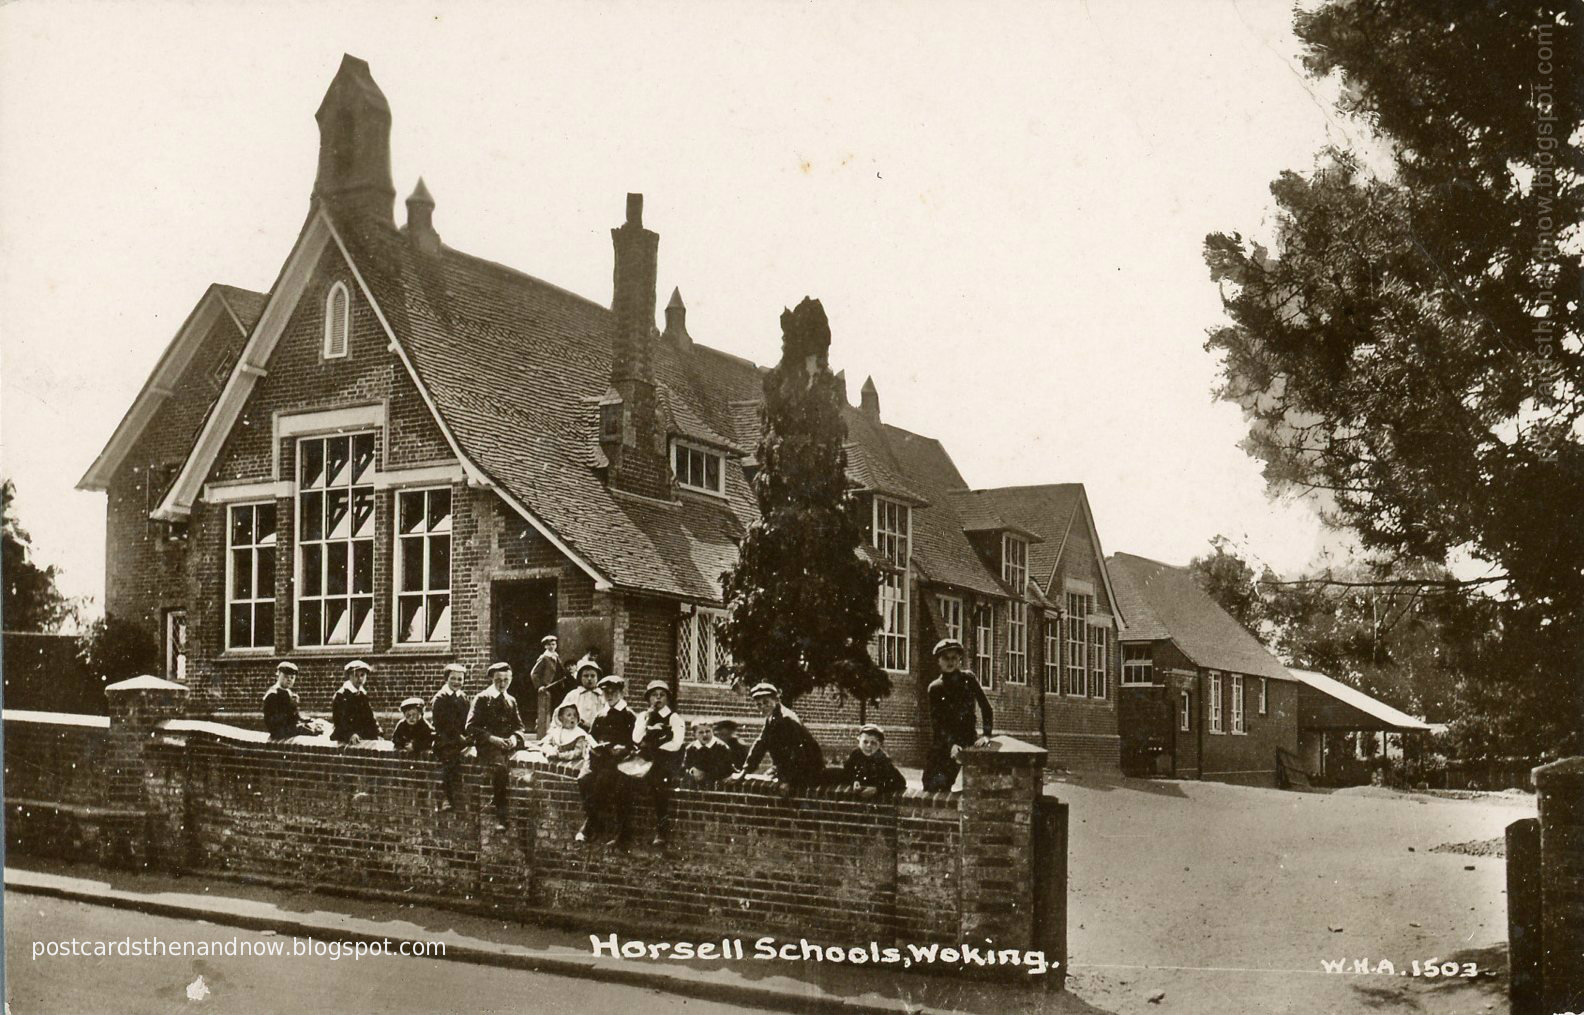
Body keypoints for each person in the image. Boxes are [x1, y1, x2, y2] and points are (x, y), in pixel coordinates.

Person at [923, 638, 993, 792]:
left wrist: (986, 734)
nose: (950, 662)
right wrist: (951, 745)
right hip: (944, 742)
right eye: (945, 658)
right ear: (938, 661)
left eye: (954, 658)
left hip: (966, 739)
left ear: (960, 659)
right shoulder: (935, 688)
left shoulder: (968, 679)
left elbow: (986, 707)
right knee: (931, 784)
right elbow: (937, 722)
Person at [577, 674, 636, 845]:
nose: (609, 696)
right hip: (598, 757)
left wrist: (623, 748)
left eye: (613, 692)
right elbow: (591, 736)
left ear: (621, 693)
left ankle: (594, 825)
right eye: (606, 692)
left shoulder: (629, 715)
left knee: (604, 781)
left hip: (618, 760)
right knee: (583, 779)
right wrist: (594, 746)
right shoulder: (601, 714)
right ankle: (593, 819)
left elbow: (636, 742)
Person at [730, 683, 824, 791]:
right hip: (790, 771)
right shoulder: (772, 718)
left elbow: (798, 752)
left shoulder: (786, 719)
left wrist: (788, 780)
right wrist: (745, 771)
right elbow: (760, 744)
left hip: (807, 773)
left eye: (766, 702)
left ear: (776, 700)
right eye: (759, 704)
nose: (763, 707)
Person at [467, 661, 527, 831]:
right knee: (500, 768)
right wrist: (492, 739)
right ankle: (500, 814)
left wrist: (515, 738)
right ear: (491, 679)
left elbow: (520, 726)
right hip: (489, 746)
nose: (502, 684)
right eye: (498, 680)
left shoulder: (511, 700)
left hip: (507, 744)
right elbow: (470, 727)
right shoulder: (482, 698)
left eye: (506, 680)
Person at [632, 680, 687, 845]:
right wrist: (646, 725)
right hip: (646, 757)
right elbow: (636, 738)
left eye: (661, 695)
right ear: (648, 698)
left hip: (666, 759)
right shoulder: (643, 716)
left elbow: (676, 743)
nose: (658, 699)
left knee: (659, 784)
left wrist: (656, 745)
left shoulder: (674, 718)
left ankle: (662, 830)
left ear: (667, 699)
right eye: (654, 695)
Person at [430, 663, 470, 813]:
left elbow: (467, 720)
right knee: (449, 758)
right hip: (445, 739)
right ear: (446, 679)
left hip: (460, 738)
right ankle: (445, 797)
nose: (457, 682)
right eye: (453, 678)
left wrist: (468, 736)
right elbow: (442, 724)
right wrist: (459, 738)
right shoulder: (440, 698)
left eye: (460, 679)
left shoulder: (463, 698)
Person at [262, 661, 324, 739]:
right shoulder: (273, 694)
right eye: (285, 677)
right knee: (313, 731)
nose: (289, 680)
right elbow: (273, 720)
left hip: (289, 727)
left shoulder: (288, 692)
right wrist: (291, 708)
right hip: (279, 731)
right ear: (278, 676)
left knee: (318, 724)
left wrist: (308, 719)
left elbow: (294, 715)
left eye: (292, 678)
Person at [843, 723, 906, 797]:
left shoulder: (882, 759)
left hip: (878, 800)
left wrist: (878, 789)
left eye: (873, 743)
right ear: (859, 741)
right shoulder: (856, 754)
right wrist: (854, 781)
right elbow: (847, 771)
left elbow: (900, 782)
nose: (868, 746)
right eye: (865, 742)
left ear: (880, 745)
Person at [331, 660, 382, 745]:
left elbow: (370, 717)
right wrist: (350, 734)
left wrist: (378, 731)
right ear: (350, 676)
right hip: (346, 737)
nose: (360, 678)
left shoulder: (363, 694)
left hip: (362, 735)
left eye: (362, 675)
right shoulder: (341, 695)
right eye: (356, 675)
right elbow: (339, 721)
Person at [523, 634, 565, 730]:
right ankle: (542, 728)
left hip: (557, 686)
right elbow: (534, 673)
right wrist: (540, 686)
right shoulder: (544, 658)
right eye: (549, 645)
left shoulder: (556, 656)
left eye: (553, 644)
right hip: (549, 687)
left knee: (557, 708)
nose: (552, 647)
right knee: (546, 709)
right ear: (545, 646)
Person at [532, 701, 593, 765]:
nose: (572, 717)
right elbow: (547, 743)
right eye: (569, 715)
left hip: (573, 762)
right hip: (555, 760)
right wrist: (550, 750)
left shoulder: (579, 734)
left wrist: (560, 755)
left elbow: (578, 753)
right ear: (560, 718)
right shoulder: (556, 731)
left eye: (575, 715)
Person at [682, 719, 736, 785]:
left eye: (708, 731)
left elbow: (725, 770)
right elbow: (685, 766)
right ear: (694, 734)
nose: (705, 735)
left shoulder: (722, 747)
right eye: (701, 732)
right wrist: (692, 771)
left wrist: (705, 774)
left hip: (718, 785)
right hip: (696, 785)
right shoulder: (690, 749)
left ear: (712, 731)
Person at [558, 655, 604, 729]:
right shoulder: (573, 695)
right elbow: (560, 714)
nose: (589, 679)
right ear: (580, 678)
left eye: (593, 676)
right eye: (585, 676)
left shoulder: (602, 696)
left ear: (598, 677)